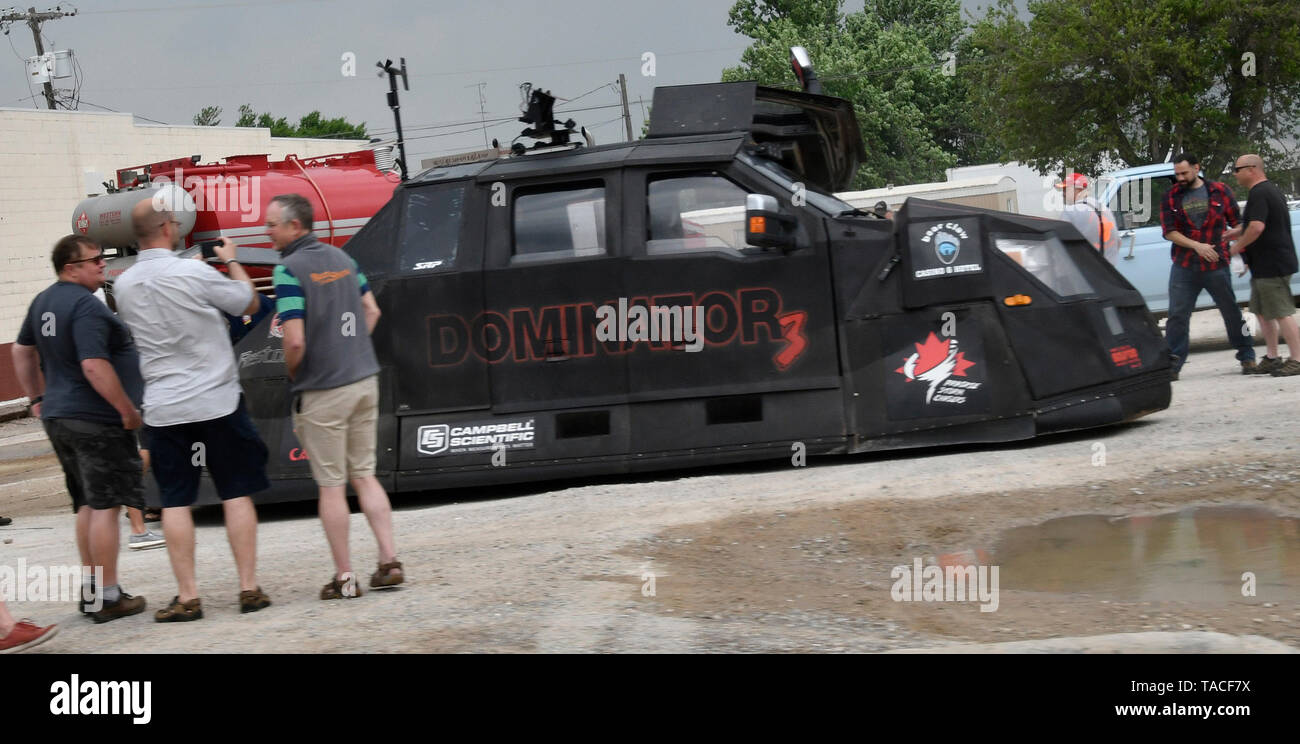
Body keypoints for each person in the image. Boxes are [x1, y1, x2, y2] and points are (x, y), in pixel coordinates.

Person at [113, 199, 273, 621]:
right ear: (168, 228)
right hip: (217, 397)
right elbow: (247, 304)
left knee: (175, 500)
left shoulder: (124, 286)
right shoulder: (193, 271)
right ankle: (248, 587)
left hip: (164, 406)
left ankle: (188, 595)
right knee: (236, 491)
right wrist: (233, 261)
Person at [267, 193, 403, 599]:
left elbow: (293, 341)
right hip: (364, 379)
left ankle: (345, 578)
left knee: (330, 485)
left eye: (272, 224)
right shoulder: (345, 260)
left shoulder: (288, 270)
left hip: (323, 388)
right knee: (364, 475)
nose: (266, 231)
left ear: (295, 226)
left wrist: (297, 373)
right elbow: (372, 311)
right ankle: (389, 561)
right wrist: (351, 349)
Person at [10, 235, 148, 623]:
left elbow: (21, 351)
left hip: (59, 416)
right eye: (94, 260)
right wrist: (127, 410)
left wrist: (36, 398)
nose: (102, 264)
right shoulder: (86, 306)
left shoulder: (43, 302)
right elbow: (93, 365)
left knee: (87, 504)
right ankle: (108, 597)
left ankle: (92, 591)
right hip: (95, 418)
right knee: (106, 505)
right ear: (71, 268)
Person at [1159, 152, 1257, 378]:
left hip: (1217, 264)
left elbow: (1238, 224)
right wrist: (1197, 246)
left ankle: (1247, 355)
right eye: (1177, 174)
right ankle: (1172, 364)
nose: (1180, 178)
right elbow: (1169, 232)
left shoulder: (1221, 191)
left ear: (1197, 167)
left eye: (1184, 173)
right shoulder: (1171, 196)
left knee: (1232, 312)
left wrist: (1242, 255)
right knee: (1177, 316)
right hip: (1184, 265)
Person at [1225, 154, 1300, 376]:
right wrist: (1234, 232)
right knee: (1262, 312)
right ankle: (1272, 356)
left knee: (1280, 312)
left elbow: (1256, 228)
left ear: (1251, 169)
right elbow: (1257, 223)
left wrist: (1237, 246)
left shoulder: (1260, 193)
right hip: (1264, 265)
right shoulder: (1267, 191)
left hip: (1273, 264)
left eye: (1237, 169)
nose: (1235, 174)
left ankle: (1297, 359)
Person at [1056, 172, 1119, 264]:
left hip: (1084, 271)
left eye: (1066, 190)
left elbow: (1058, 243)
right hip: (1108, 272)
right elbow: (1118, 242)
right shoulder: (1104, 209)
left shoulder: (1070, 211)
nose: (1063, 194)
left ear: (1078, 189)